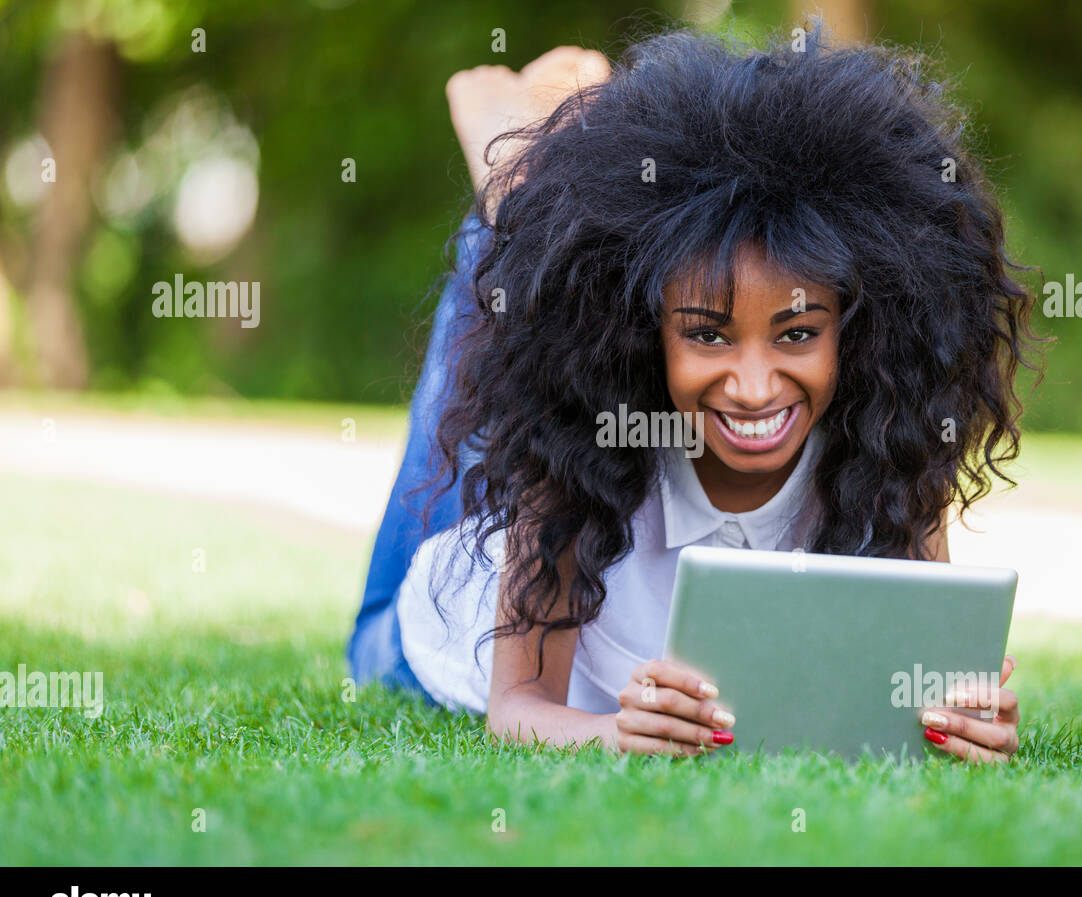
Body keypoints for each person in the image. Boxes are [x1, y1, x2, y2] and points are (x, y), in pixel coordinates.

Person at [348, 29, 1035, 762]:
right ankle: (501, 194)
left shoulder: (889, 448)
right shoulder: (586, 444)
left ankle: (521, 187)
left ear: (857, 331)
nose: (752, 387)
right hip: (440, 630)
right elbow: (516, 708)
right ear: (649, 335)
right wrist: (611, 734)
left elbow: (922, 684)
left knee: (527, 280)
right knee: (510, 295)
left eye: (797, 334)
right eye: (708, 336)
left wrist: (965, 716)